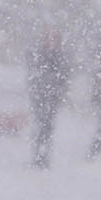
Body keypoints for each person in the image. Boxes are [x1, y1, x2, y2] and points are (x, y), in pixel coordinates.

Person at [26, 29, 70, 168]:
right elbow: (33, 75)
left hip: (52, 98)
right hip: (41, 97)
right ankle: (38, 156)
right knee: (41, 127)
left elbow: (64, 76)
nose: (50, 42)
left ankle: (43, 157)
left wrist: (59, 90)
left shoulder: (59, 56)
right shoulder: (39, 55)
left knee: (47, 127)